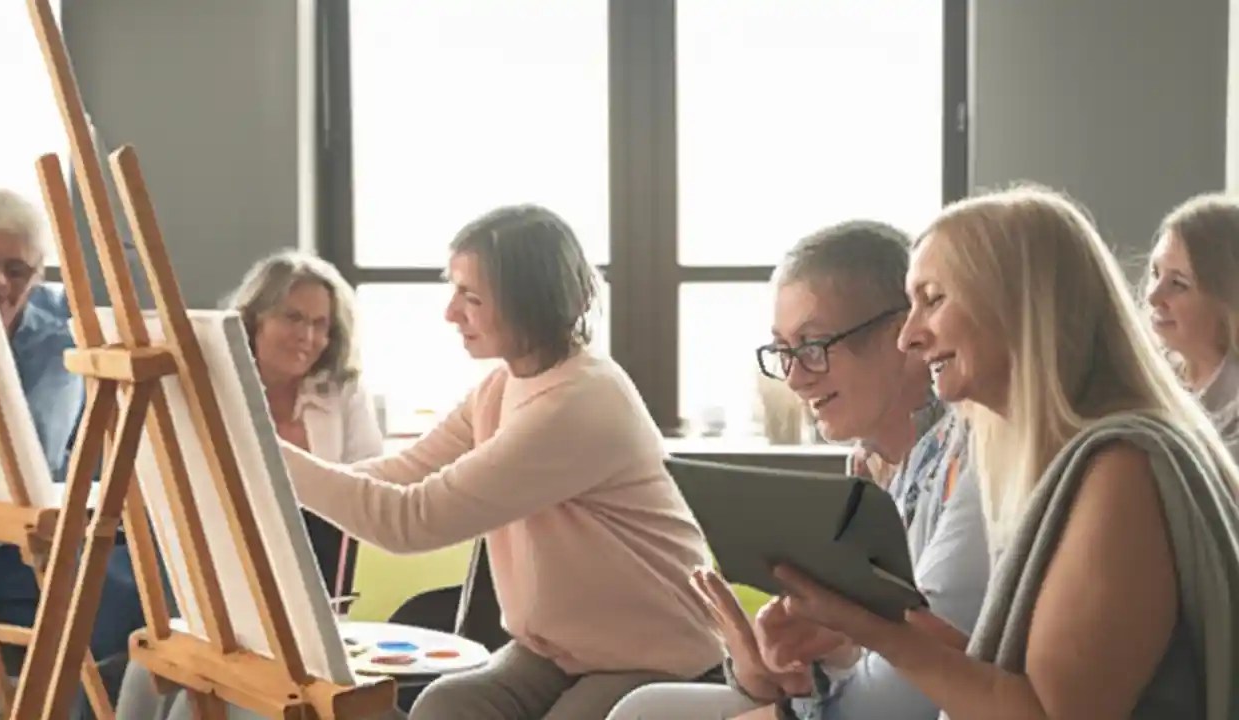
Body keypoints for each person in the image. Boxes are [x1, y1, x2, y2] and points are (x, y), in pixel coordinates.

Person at [772, 185, 1239, 719]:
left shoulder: (1122, 470)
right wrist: (850, 638)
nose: (909, 338)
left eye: (933, 299)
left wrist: (876, 631)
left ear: (1017, 301)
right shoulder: (1067, 463)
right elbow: (1002, 683)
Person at [278, 204, 722, 719]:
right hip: (558, 652)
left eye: (471, 297)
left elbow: (410, 520)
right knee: (445, 706)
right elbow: (397, 474)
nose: (450, 313)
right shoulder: (500, 387)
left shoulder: (580, 402)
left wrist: (271, 461)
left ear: (530, 301)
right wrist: (269, 477)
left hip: (654, 653)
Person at [607, 221, 988, 720]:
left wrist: (795, 698)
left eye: (813, 345)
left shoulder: (970, 466)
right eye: (783, 351)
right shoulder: (869, 467)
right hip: (853, 702)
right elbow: (858, 657)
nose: (794, 377)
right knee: (645, 708)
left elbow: (903, 699)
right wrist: (784, 666)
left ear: (905, 334)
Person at [0, 189, 146, 716]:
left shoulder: (73, 329)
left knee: (143, 589)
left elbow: (54, 454)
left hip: (37, 543)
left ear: (38, 275)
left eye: (16, 270)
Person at [226, 250, 382, 597]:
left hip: (324, 568)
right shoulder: (219, 386)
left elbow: (370, 478)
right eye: (293, 318)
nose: (307, 336)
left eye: (319, 324)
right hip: (233, 553)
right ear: (254, 321)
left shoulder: (343, 389)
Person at [1145, 193, 1239, 460]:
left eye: (1178, 284)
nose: (1153, 297)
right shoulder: (1145, 376)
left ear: (1227, 301)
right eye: (1155, 274)